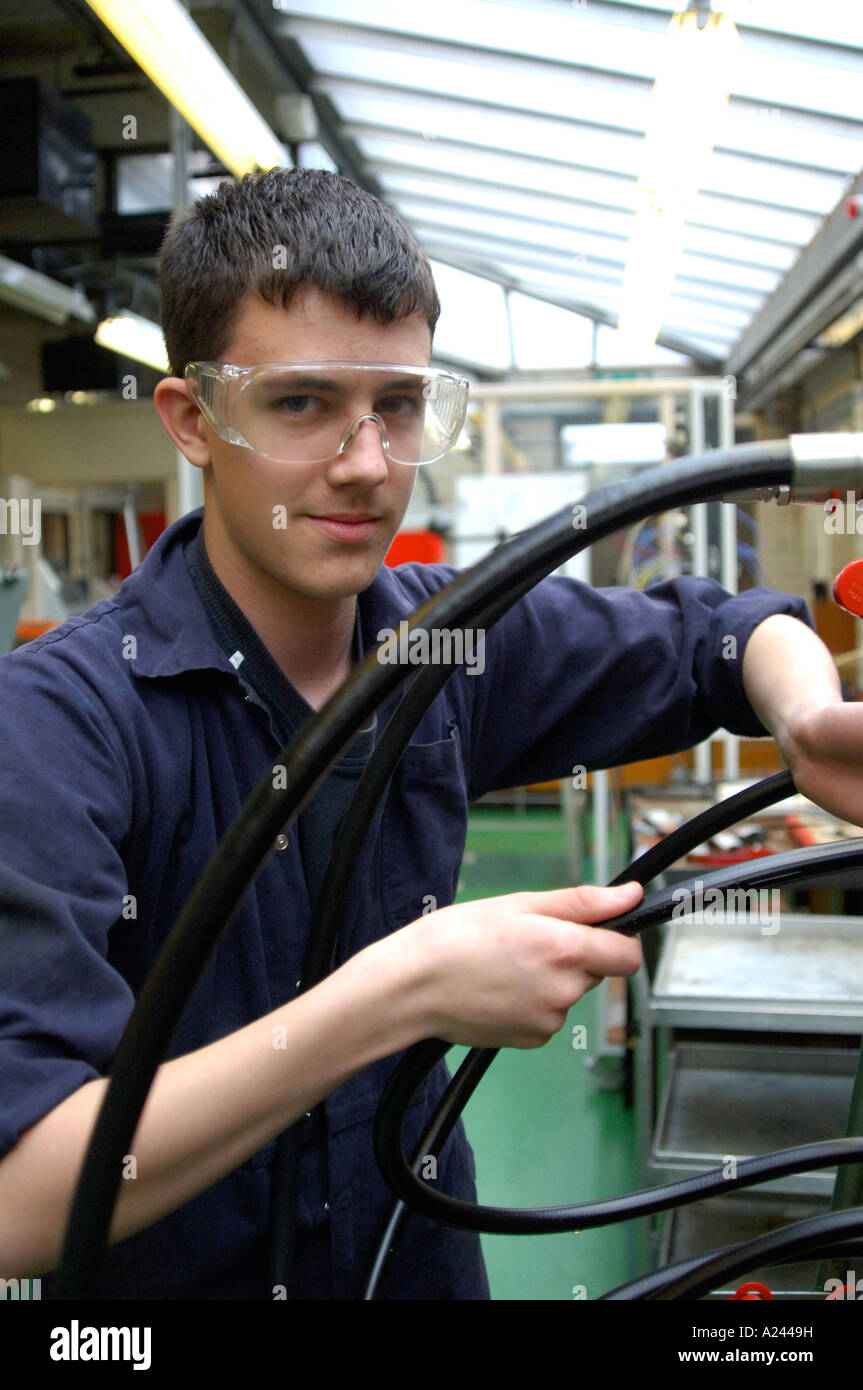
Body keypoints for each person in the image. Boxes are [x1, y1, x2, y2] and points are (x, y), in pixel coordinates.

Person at [0, 168, 855, 1302]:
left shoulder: (446, 642)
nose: (364, 463)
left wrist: (802, 712)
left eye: (397, 406)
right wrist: (395, 994)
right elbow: (22, 1197)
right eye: (300, 403)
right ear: (194, 420)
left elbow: (722, 632)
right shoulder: (62, 720)